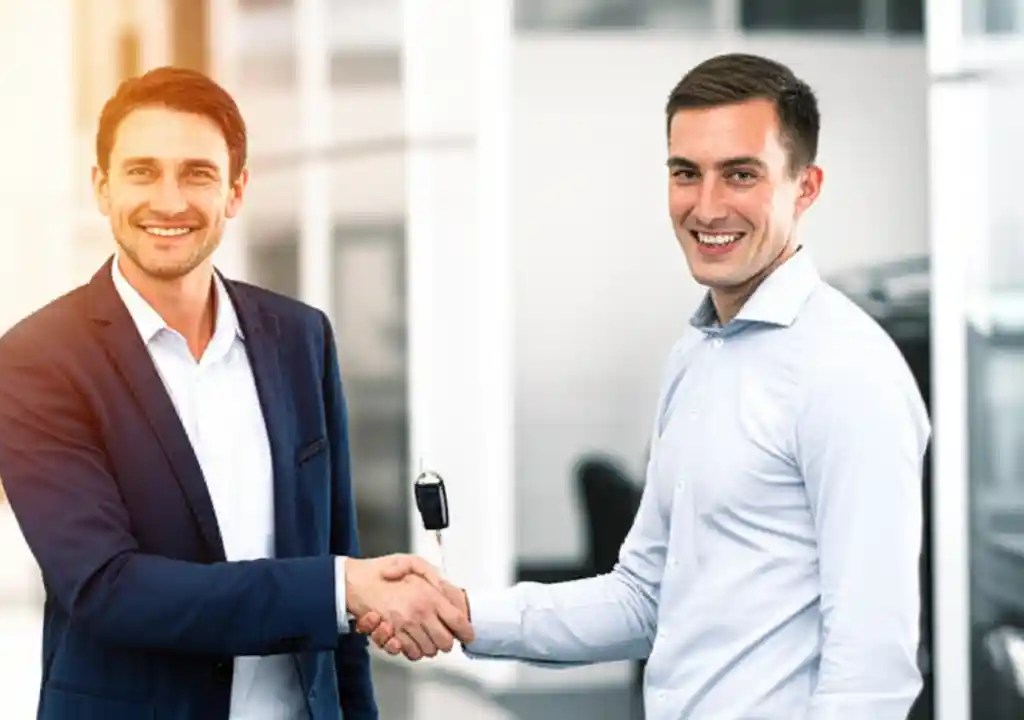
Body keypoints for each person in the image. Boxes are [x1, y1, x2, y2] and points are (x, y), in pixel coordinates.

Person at [359, 53, 930, 719]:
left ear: (805, 188)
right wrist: (462, 611)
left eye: (740, 174)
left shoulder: (848, 371)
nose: (706, 206)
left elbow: (872, 673)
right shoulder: (699, 355)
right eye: (686, 173)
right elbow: (643, 597)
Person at [0, 66, 471, 720]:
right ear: (101, 187)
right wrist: (339, 589)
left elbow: (338, 560)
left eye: (197, 174)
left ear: (236, 191)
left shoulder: (301, 338)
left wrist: (349, 614)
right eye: (141, 172)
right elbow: (105, 588)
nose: (168, 201)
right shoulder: (39, 360)